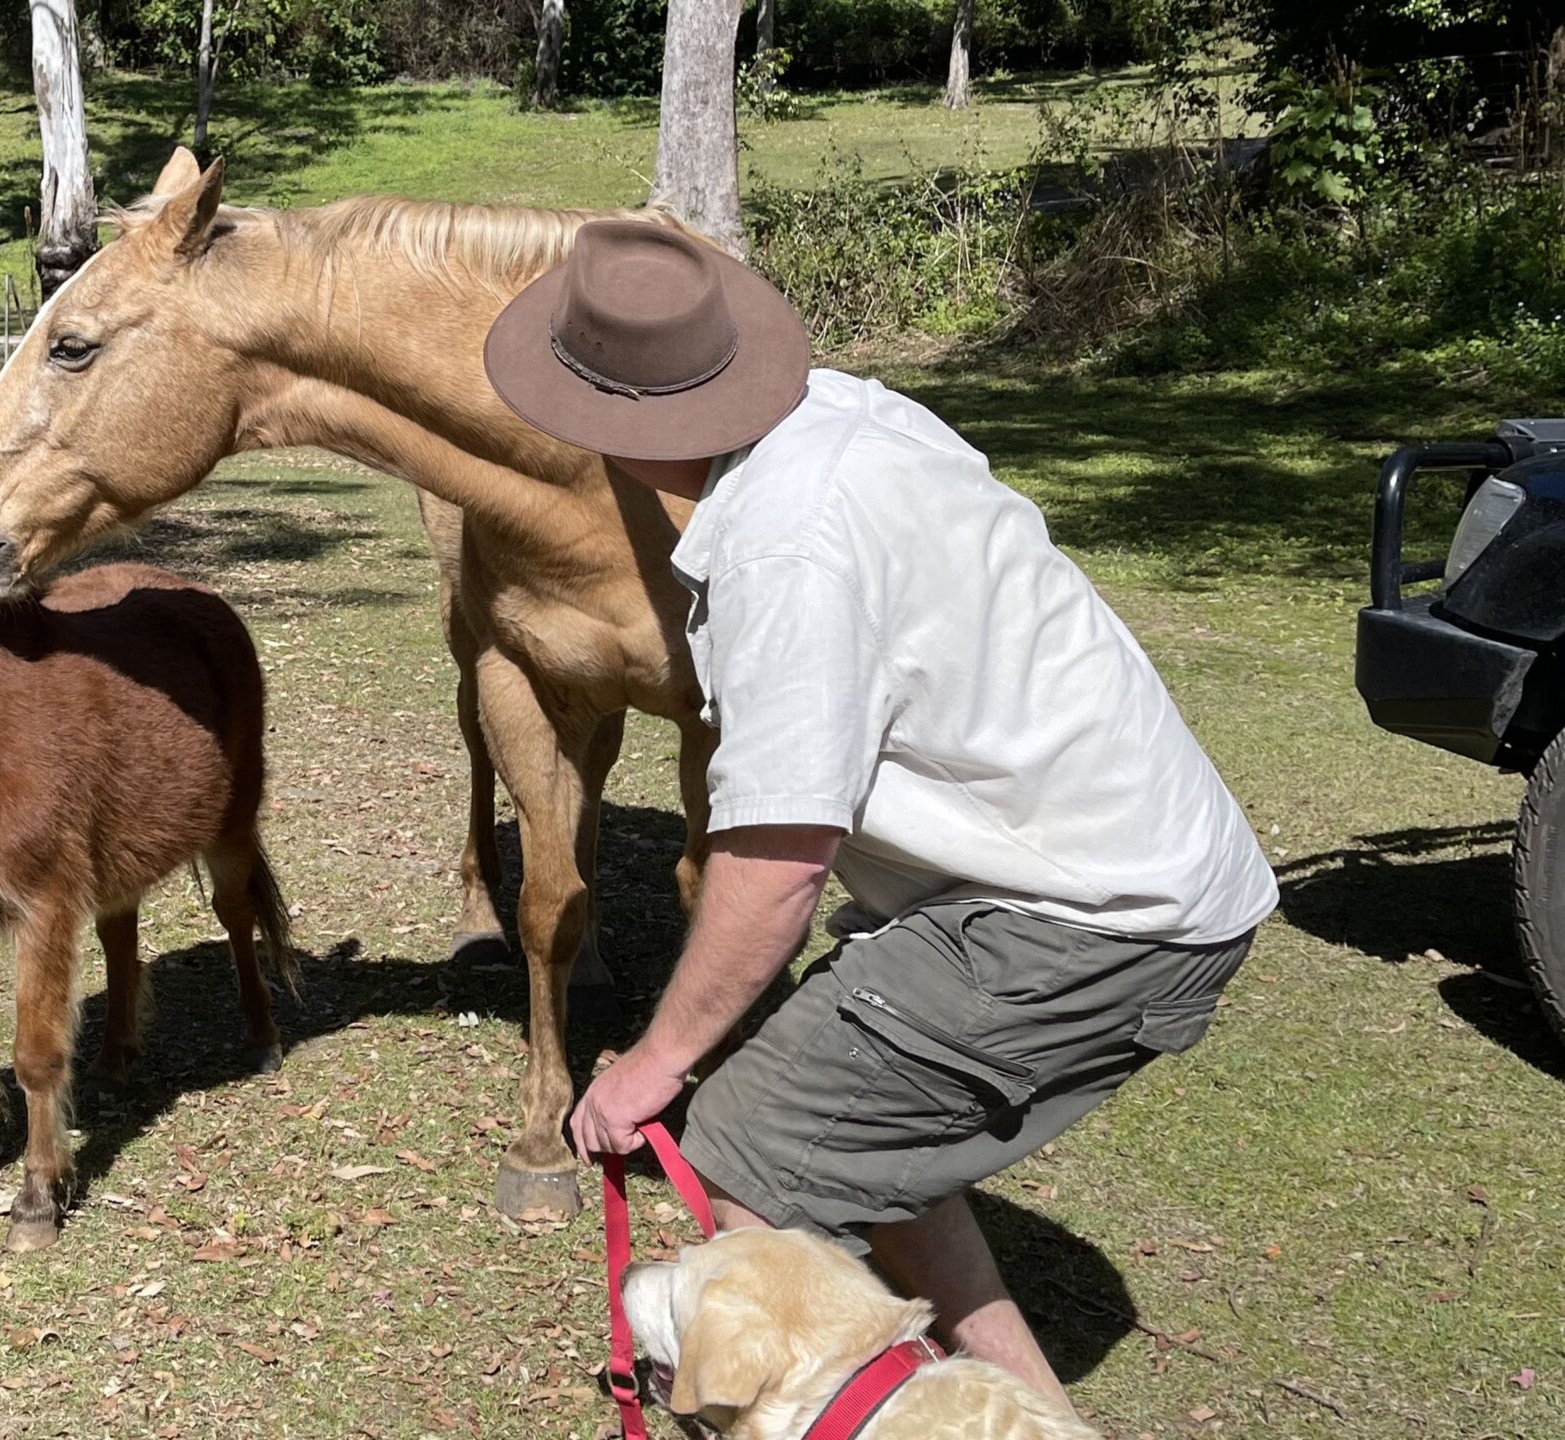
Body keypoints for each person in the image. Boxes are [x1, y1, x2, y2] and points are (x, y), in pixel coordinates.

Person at [481, 220, 1277, 1407]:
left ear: (600, 427)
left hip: (1094, 914)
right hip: (1111, 869)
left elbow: (780, 858)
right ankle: (1034, 1423)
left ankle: (863, 1419)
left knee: (754, 1151)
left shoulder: (786, 551)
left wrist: (653, 1061)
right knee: (853, 1116)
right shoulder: (842, 415)